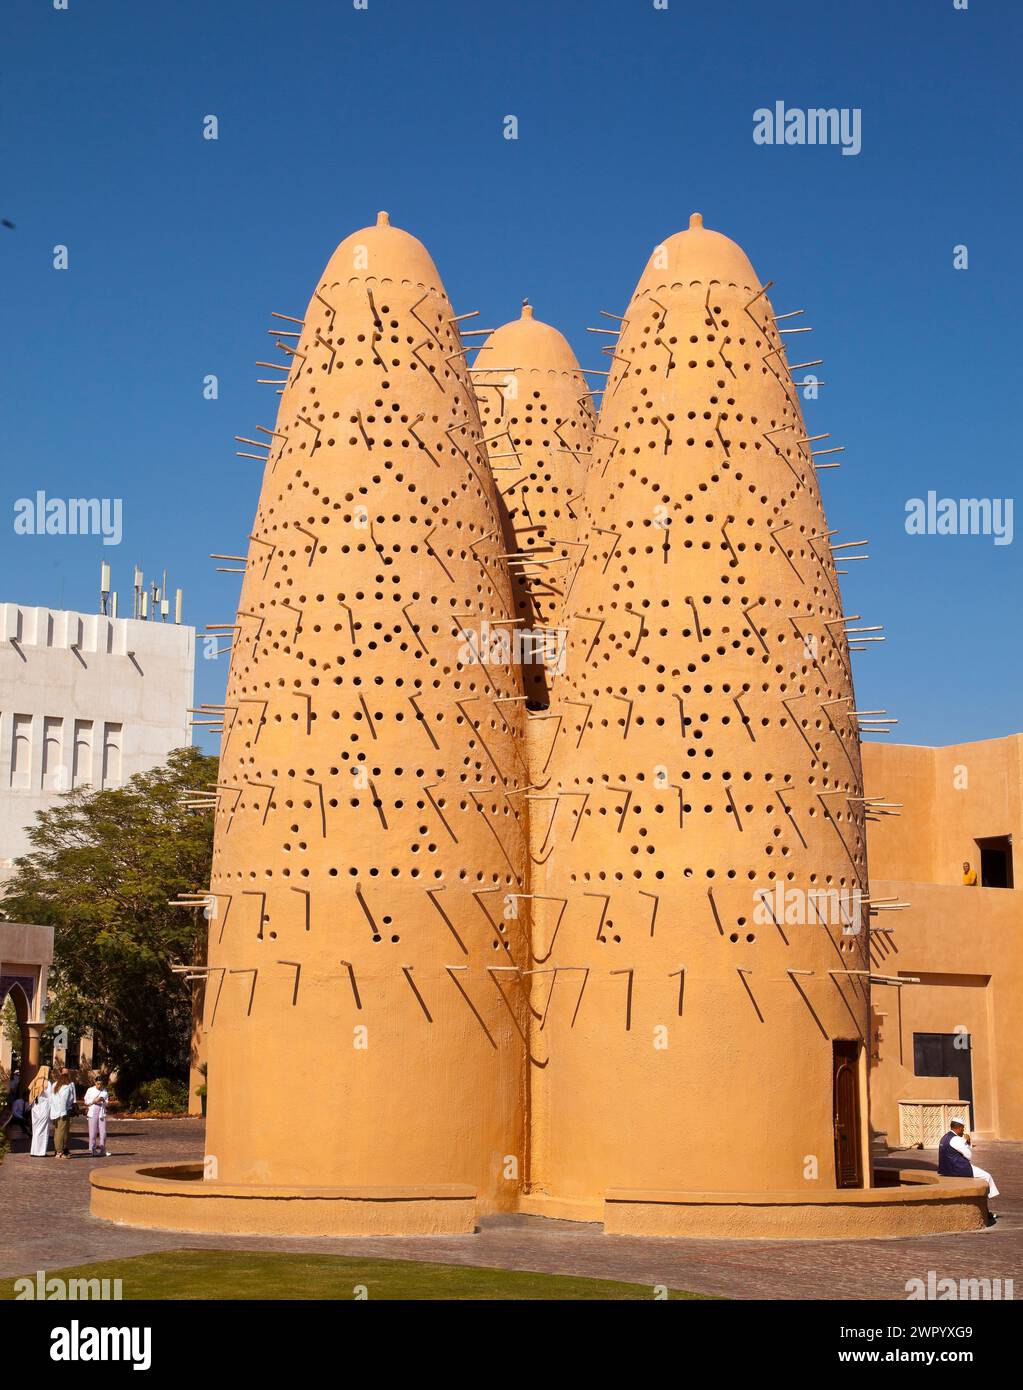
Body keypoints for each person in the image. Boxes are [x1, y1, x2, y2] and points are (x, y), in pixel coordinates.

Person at [938, 1118, 999, 1221]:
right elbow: (969, 1155)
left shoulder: (944, 1137)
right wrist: (967, 1141)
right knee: (987, 1176)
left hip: (946, 1169)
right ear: (958, 1128)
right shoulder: (956, 1139)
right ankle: (986, 1206)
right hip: (959, 1168)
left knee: (984, 1176)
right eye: (962, 1129)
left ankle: (987, 1208)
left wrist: (965, 1141)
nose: (963, 1131)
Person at [49, 1070, 75, 1159]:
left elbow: (51, 1099)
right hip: (62, 1112)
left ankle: (57, 1151)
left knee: (57, 1132)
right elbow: (63, 1101)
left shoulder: (55, 1086)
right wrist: (63, 1112)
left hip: (55, 1112)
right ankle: (60, 1152)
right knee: (61, 1132)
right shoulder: (66, 1088)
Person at [28, 1066, 52, 1157]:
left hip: (35, 1109)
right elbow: (50, 1098)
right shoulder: (47, 1083)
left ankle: (34, 1151)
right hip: (44, 1108)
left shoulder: (34, 1082)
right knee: (43, 1130)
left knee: (35, 1130)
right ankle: (40, 1152)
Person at [84, 1073, 109, 1157]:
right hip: (93, 1111)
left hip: (101, 1112)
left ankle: (102, 1149)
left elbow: (107, 1103)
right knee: (93, 1132)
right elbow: (86, 1101)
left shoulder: (104, 1091)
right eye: (98, 1083)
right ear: (95, 1083)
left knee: (103, 1132)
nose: (99, 1085)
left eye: (101, 1084)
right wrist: (94, 1100)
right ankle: (93, 1149)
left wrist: (103, 1101)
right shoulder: (90, 1090)